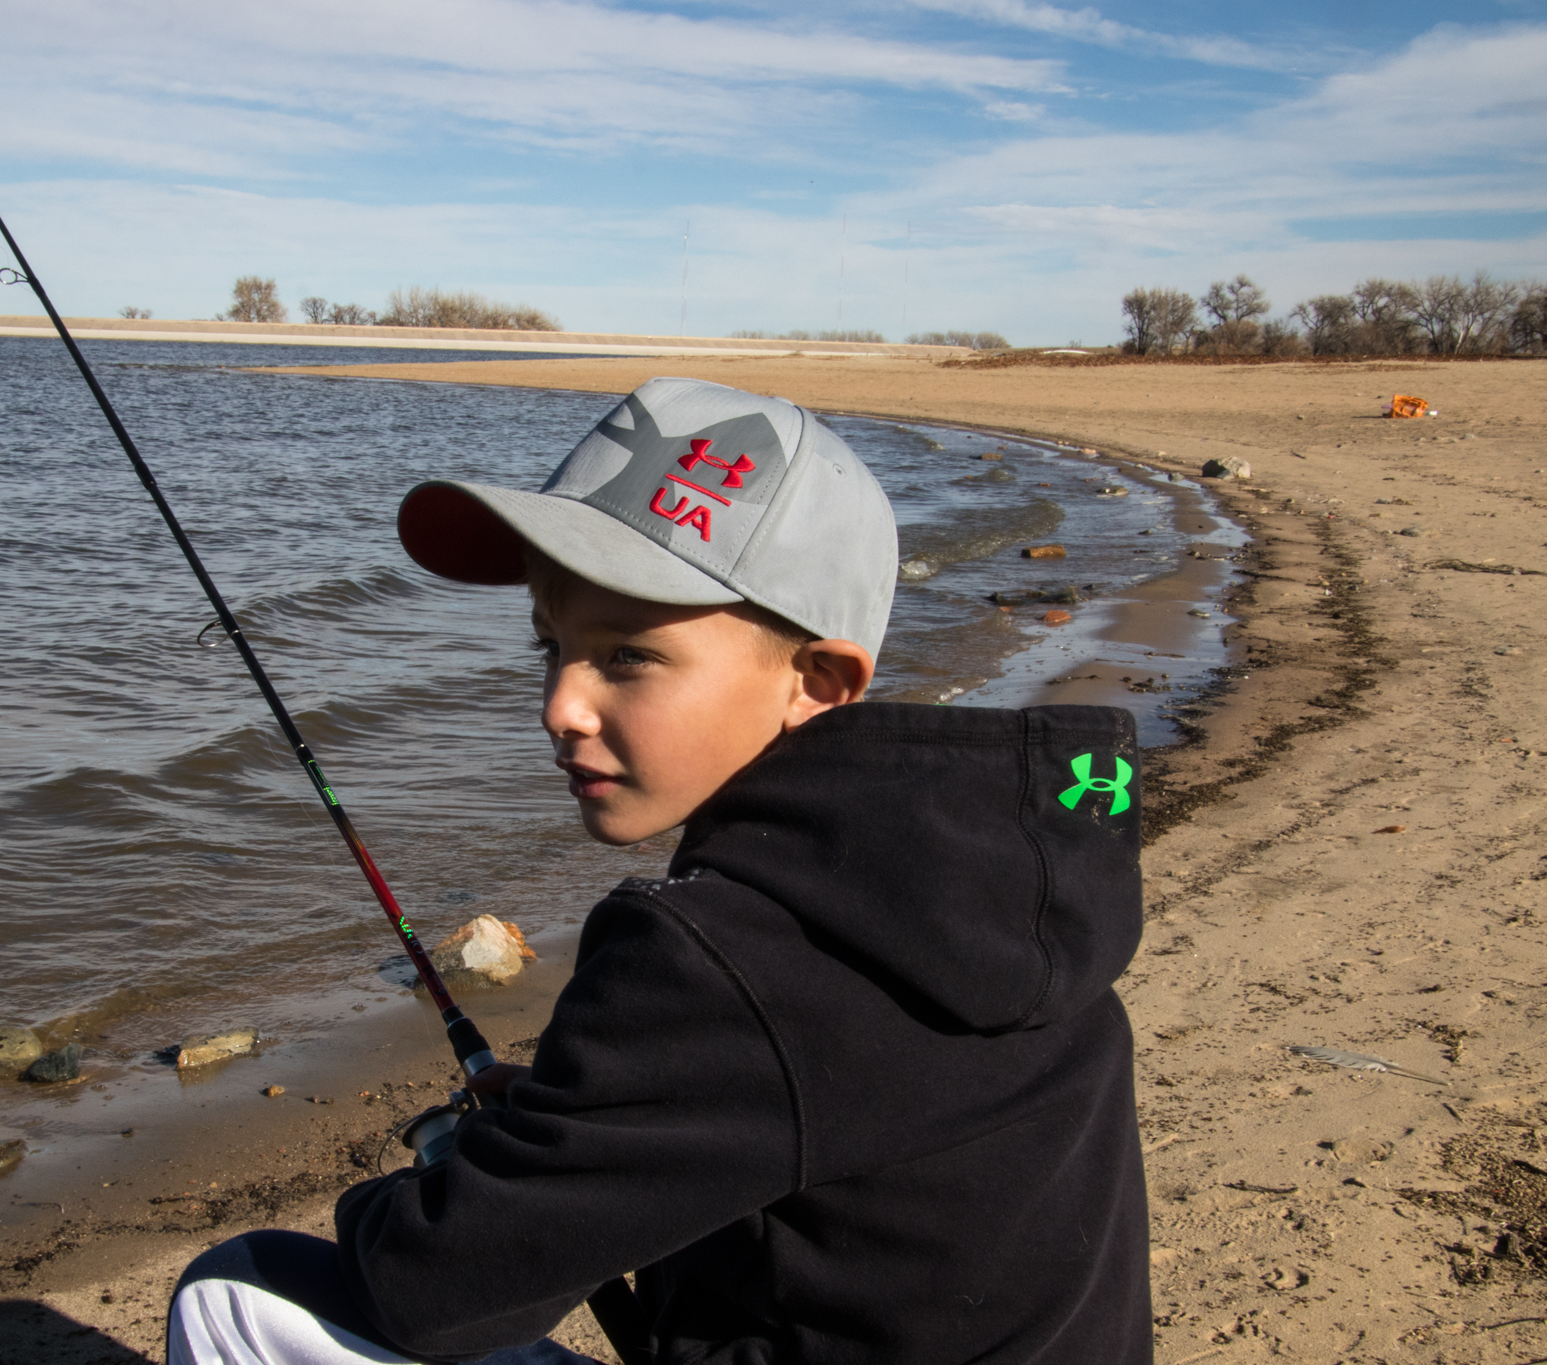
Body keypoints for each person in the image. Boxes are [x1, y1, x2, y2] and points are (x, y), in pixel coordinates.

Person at [169, 378, 1150, 1365]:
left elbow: (428, 1290)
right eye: (549, 647)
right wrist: (588, 1127)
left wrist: (450, 1165)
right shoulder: (994, 893)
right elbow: (797, 1118)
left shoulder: (717, 958)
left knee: (240, 1295)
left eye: (628, 655)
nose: (560, 705)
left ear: (814, 684)